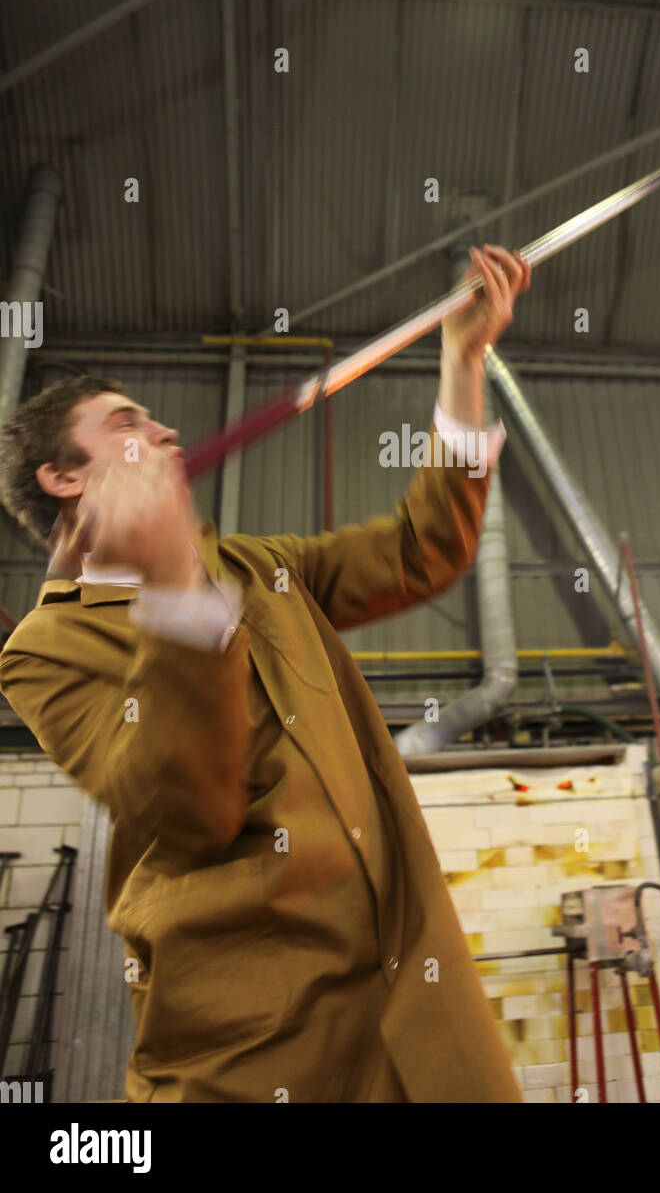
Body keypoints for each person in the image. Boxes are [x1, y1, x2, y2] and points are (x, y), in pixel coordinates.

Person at [0, 245, 531, 1102]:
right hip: (261, 1053)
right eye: (129, 424)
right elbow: (194, 810)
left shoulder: (253, 566)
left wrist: (462, 362)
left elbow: (420, 552)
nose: (165, 430)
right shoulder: (43, 650)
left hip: (417, 1014)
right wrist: (171, 586)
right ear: (63, 477)